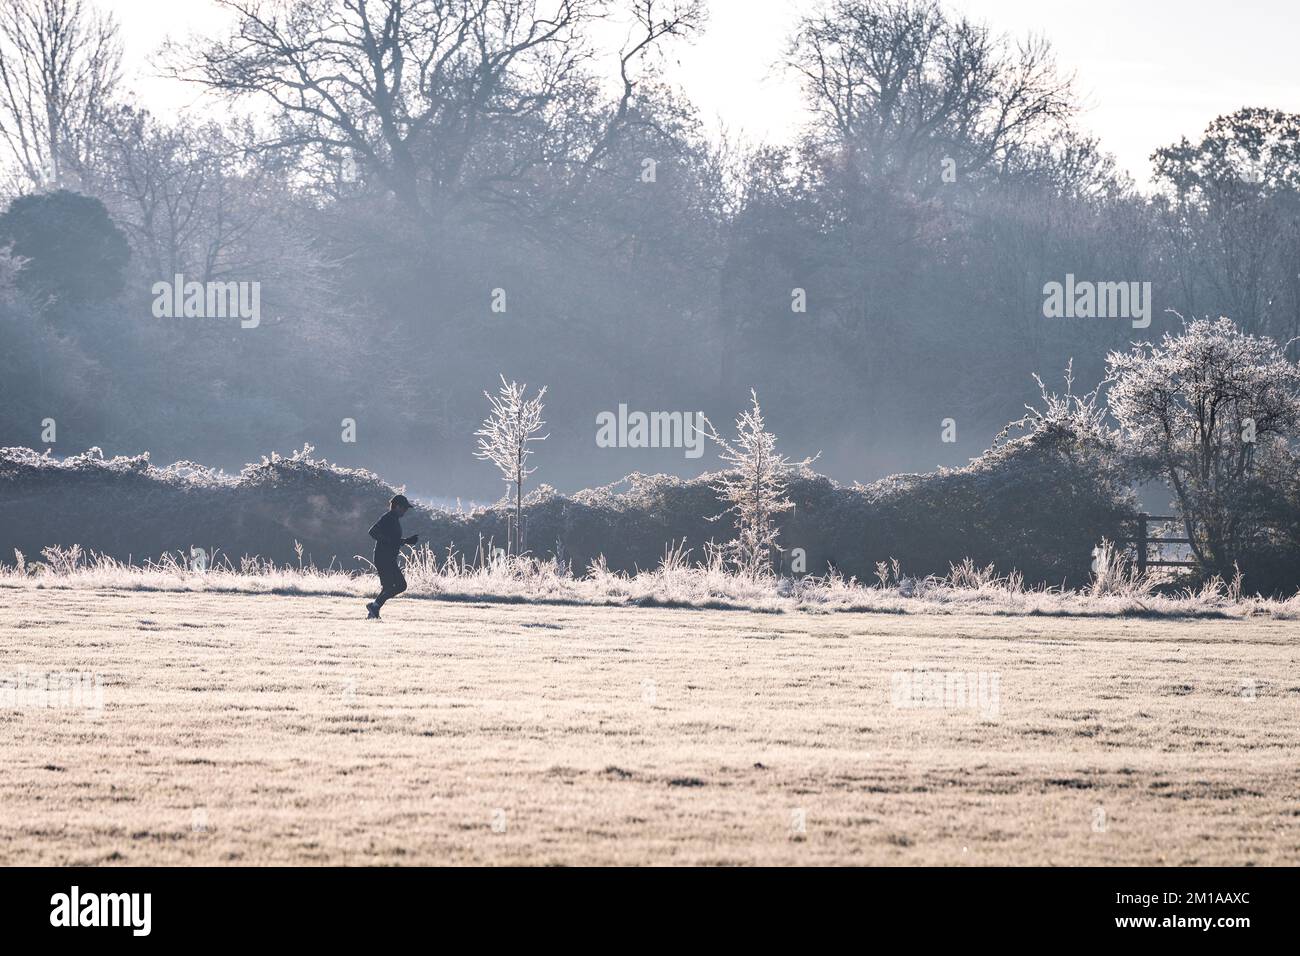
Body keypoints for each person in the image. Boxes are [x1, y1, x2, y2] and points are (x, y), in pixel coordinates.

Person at [366, 494, 418, 619]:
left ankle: (374, 610)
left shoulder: (393, 519)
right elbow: (372, 532)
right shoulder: (388, 517)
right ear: (397, 506)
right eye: (404, 508)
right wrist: (391, 541)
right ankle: (374, 606)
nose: (405, 511)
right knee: (400, 586)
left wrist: (406, 541)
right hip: (384, 558)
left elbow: (393, 540)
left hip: (387, 558)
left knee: (389, 586)